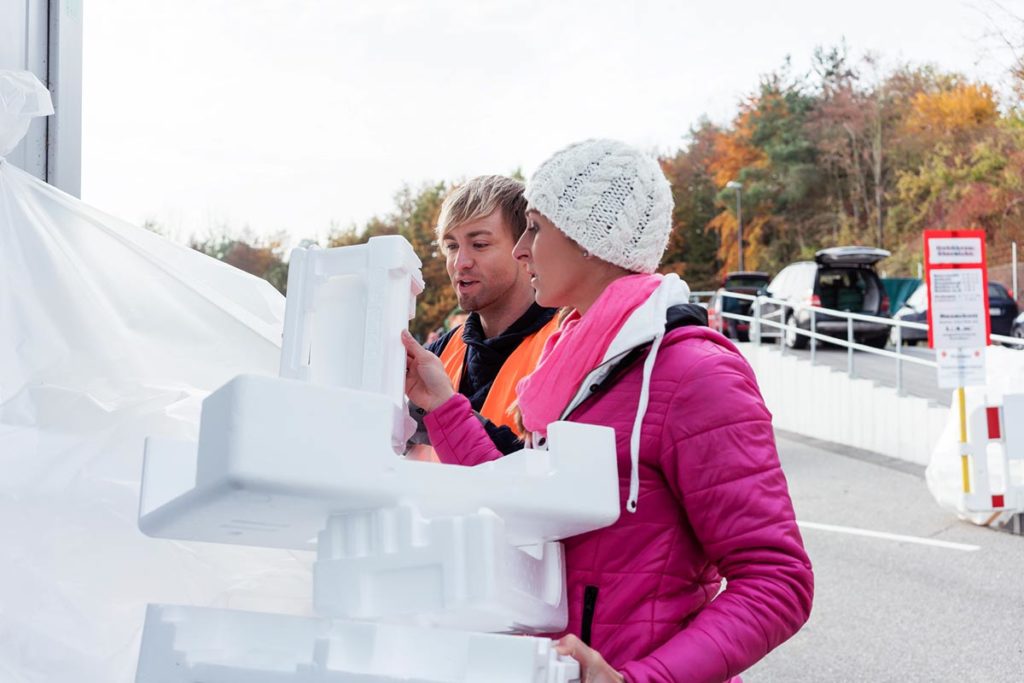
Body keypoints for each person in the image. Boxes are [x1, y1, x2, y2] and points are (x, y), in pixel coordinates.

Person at [402, 139, 814, 682]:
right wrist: (442, 403)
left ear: (588, 242)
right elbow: (521, 499)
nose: (523, 250)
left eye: (535, 228)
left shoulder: (694, 374)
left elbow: (778, 581)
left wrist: (643, 679)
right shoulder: (574, 364)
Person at [409, 175, 560, 456]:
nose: (460, 263)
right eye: (451, 246)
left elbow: (552, 480)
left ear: (525, 249)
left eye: (479, 244)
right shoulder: (437, 355)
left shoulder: (565, 345)